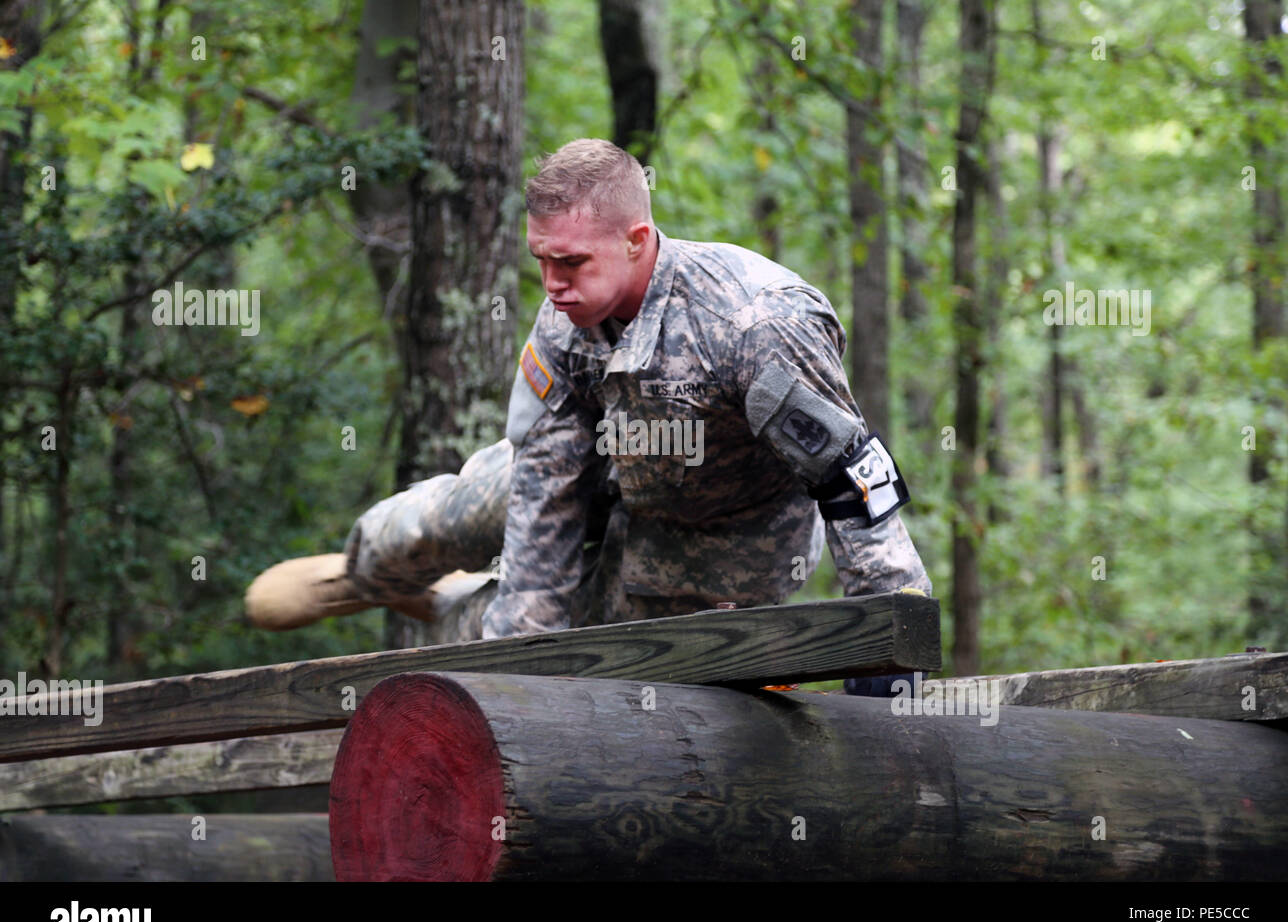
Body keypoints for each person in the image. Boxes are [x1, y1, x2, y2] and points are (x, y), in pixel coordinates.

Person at [246, 137, 931, 643]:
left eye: (570, 262)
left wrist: (887, 637)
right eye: (539, 260)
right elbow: (546, 483)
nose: (550, 284)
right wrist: (518, 636)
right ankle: (366, 572)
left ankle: (454, 602)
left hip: (718, 541)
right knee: (469, 514)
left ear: (637, 240)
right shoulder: (566, 315)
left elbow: (853, 481)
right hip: (602, 473)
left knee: (582, 653)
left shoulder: (755, 324)